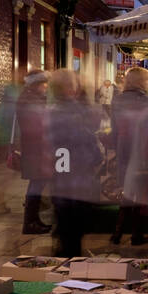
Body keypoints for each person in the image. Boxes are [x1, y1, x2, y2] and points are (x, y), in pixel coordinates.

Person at [44, 69, 103, 256]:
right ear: (70, 88)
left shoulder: (53, 111)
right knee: (72, 227)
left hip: (65, 178)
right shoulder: (72, 112)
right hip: (75, 179)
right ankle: (69, 264)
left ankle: (66, 256)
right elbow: (75, 144)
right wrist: (92, 159)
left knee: (67, 225)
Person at [110, 67, 148, 245]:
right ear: (139, 82)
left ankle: (118, 233)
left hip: (123, 147)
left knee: (128, 190)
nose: (147, 83)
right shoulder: (144, 100)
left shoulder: (118, 100)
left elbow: (114, 129)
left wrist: (116, 148)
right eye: (146, 80)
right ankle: (136, 234)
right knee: (138, 190)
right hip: (140, 147)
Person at [15, 71, 52, 234]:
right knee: (36, 185)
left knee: (37, 184)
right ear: (36, 84)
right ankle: (30, 223)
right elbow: (38, 125)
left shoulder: (32, 98)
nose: (46, 86)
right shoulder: (30, 100)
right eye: (44, 83)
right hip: (35, 148)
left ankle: (34, 220)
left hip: (35, 148)